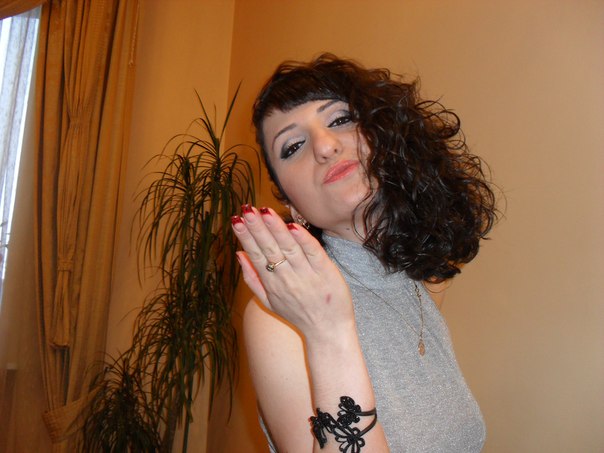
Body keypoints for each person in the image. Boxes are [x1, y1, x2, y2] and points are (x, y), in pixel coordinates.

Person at [231, 54, 497, 452]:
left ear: (384, 138)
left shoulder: (419, 284)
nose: (325, 145)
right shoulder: (279, 318)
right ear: (292, 205)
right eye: (293, 146)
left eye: (340, 119)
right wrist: (327, 333)